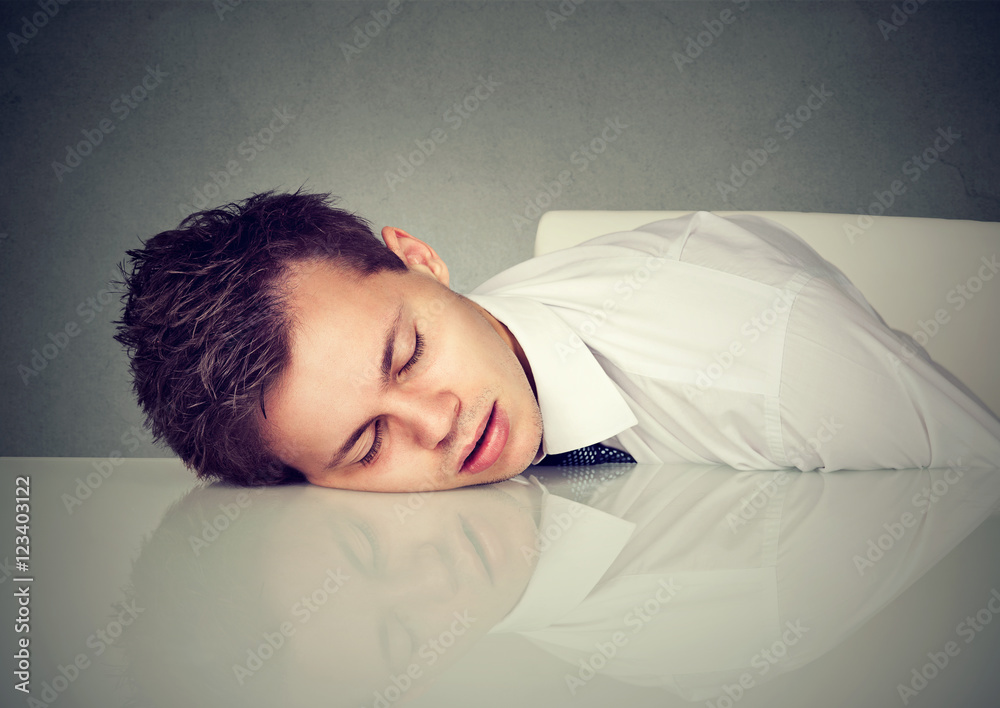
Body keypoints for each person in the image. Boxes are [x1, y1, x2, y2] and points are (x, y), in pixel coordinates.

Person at [114, 189, 1000, 491]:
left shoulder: (772, 366)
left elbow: (977, 503)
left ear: (420, 260)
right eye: (368, 442)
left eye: (408, 354)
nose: (438, 421)